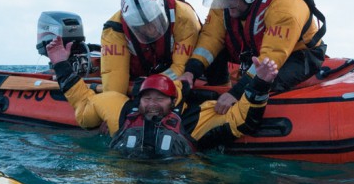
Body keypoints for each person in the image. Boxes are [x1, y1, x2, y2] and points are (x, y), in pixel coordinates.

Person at [44, 35, 278, 159]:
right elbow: (84, 104)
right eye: (147, 99)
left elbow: (242, 120)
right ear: (139, 99)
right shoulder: (123, 112)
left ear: (172, 100)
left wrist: (260, 83)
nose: (152, 105)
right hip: (127, 183)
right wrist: (61, 64)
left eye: (159, 99)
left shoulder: (193, 121)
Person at [180, 0, 327, 114]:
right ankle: (219, 89)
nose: (226, 3)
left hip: (298, 54)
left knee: (267, 81)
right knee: (215, 52)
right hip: (254, 49)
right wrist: (191, 71)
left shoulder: (284, 8)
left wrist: (237, 93)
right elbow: (210, 37)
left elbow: (271, 58)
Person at [99, 0, 201, 97]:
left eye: (155, 22)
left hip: (161, 78)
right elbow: (114, 88)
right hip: (137, 78)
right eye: (141, 28)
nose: (151, 30)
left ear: (162, 8)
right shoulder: (114, 32)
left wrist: (147, 85)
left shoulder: (183, 16)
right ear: (129, 25)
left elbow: (180, 67)